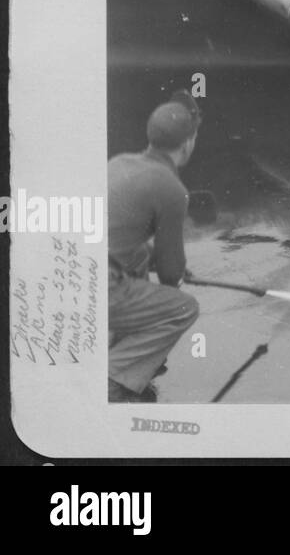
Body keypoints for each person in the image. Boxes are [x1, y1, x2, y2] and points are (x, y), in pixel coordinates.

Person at [107, 96, 202, 402]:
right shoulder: (172, 190)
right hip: (98, 288)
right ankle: (112, 378)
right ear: (188, 143)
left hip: (70, 270)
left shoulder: (119, 163)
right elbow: (171, 273)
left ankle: (125, 348)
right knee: (183, 308)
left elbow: (118, 236)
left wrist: (153, 259)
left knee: (138, 256)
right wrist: (171, 275)